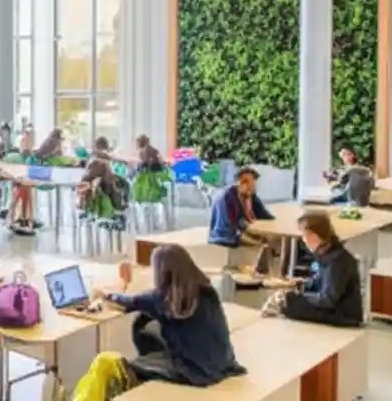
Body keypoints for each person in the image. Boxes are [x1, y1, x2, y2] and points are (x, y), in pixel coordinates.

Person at [98, 244, 246, 387]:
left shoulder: (163, 298)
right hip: (223, 363)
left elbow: (126, 302)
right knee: (149, 325)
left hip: (196, 371)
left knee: (129, 364)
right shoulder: (207, 290)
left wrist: (106, 292)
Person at [270, 212, 363, 327]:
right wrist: (299, 285)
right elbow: (319, 282)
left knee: (289, 303)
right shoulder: (328, 253)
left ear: (314, 235)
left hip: (343, 314)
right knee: (287, 298)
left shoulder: (336, 261)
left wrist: (298, 297)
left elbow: (328, 299)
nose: (303, 240)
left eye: (304, 236)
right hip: (336, 308)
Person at [208, 166, 274, 249]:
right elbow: (233, 231)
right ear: (238, 182)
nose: (250, 186)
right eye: (245, 182)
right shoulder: (227, 198)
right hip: (224, 239)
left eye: (252, 182)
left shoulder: (250, 196)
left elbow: (266, 217)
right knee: (265, 246)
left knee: (272, 240)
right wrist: (259, 243)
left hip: (239, 233)